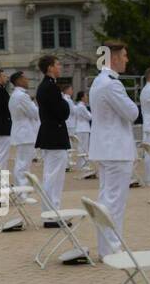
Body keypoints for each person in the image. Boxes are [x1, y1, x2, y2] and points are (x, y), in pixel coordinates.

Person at [88, 43, 138, 255]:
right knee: (114, 202)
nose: (126, 60)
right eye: (124, 56)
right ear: (114, 58)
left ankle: (105, 247)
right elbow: (132, 112)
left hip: (106, 149)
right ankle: (112, 248)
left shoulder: (99, 82)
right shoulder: (112, 84)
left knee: (106, 199)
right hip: (116, 149)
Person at [34, 56, 71, 221]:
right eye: (57, 64)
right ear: (50, 68)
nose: (60, 67)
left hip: (50, 134)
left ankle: (50, 212)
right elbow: (63, 112)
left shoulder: (45, 86)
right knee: (54, 177)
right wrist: (65, 103)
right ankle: (52, 214)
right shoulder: (51, 87)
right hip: (54, 135)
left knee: (51, 175)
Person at [8, 71, 37, 190]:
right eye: (25, 78)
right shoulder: (22, 96)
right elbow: (34, 113)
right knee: (23, 164)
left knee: (21, 163)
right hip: (25, 133)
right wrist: (34, 104)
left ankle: (21, 188)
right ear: (19, 80)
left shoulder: (15, 95)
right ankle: (22, 191)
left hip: (21, 132)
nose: (27, 80)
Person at [73, 89, 93, 174]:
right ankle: (83, 164)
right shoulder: (81, 106)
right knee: (84, 147)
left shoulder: (78, 106)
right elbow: (89, 116)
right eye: (85, 96)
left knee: (82, 146)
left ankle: (82, 164)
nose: (87, 97)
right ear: (82, 97)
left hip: (80, 127)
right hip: (83, 128)